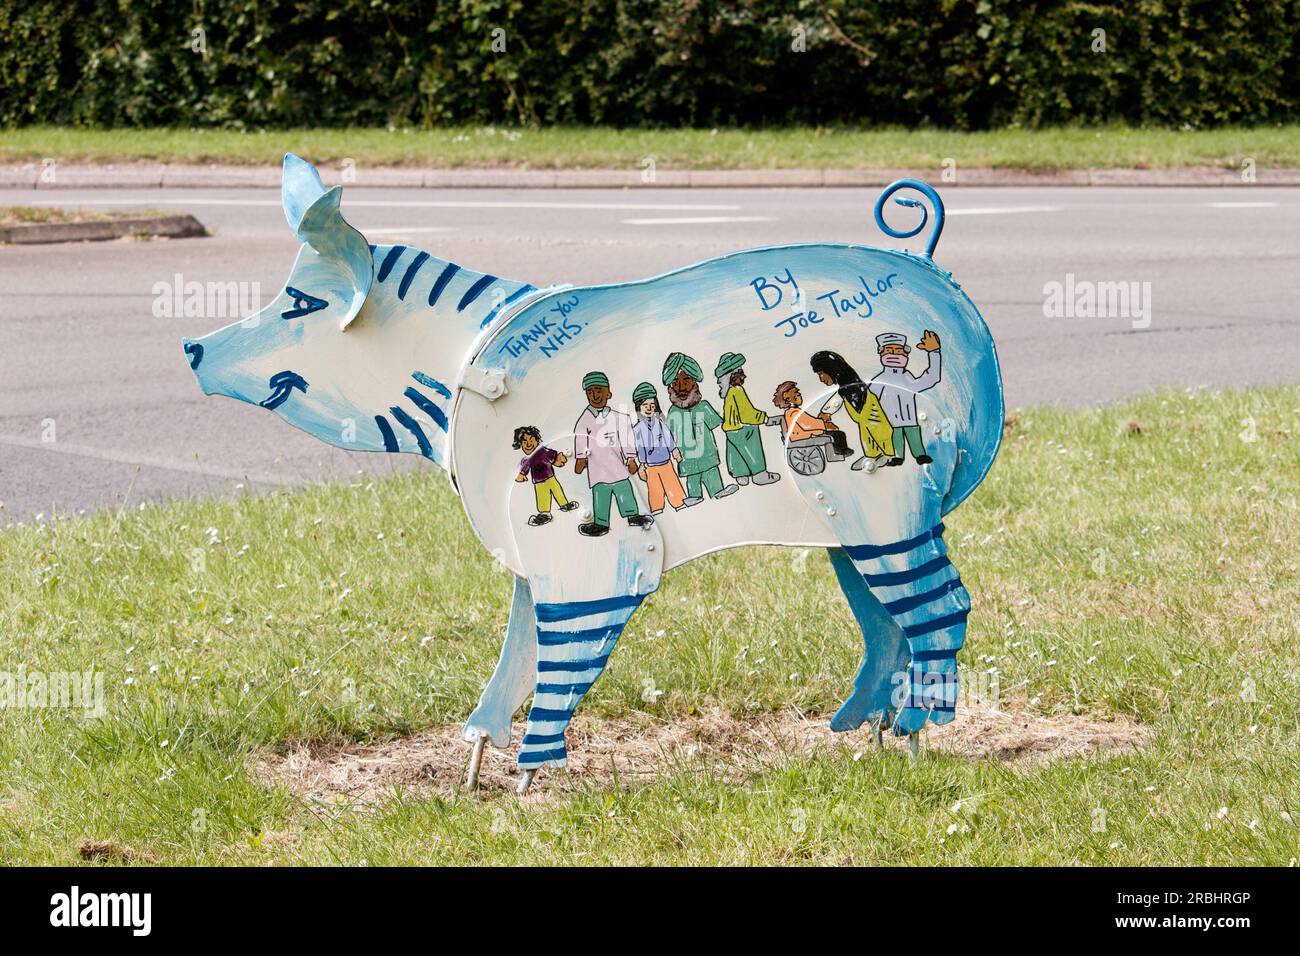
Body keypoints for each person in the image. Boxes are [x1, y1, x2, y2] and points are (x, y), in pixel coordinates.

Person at [573, 371, 653, 537]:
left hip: (618, 467)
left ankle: (633, 515)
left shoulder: (619, 418)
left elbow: (626, 438)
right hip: (598, 469)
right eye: (590, 392)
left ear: (608, 392)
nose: (594, 395)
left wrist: (631, 458)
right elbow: (580, 439)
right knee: (601, 494)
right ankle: (601, 523)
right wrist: (580, 458)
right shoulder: (584, 420)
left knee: (624, 490)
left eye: (598, 390)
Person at [662, 352, 739, 501]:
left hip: (707, 454)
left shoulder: (703, 406)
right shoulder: (673, 412)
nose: (681, 387)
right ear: (671, 386)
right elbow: (668, 435)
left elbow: (717, 423)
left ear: (694, 382)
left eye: (686, 380)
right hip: (687, 457)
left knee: (712, 473)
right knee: (693, 480)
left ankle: (718, 490)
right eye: (676, 382)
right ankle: (694, 496)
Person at [809, 350, 894, 470]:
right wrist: (826, 412)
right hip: (862, 417)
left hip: (869, 411)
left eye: (821, 373)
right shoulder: (845, 388)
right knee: (867, 434)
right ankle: (871, 455)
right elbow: (839, 398)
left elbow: (837, 399)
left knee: (879, 430)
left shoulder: (851, 385)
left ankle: (888, 453)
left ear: (831, 369)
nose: (821, 379)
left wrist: (826, 411)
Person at [870, 330, 941, 465]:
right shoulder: (880, 379)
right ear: (881, 352)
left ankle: (919, 455)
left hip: (910, 419)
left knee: (913, 434)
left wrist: (934, 352)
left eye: (898, 351)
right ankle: (897, 457)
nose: (894, 354)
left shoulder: (907, 377)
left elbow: (932, 378)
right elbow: (869, 399)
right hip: (890, 422)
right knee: (895, 436)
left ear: (905, 353)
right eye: (889, 350)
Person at [630, 382, 698, 514]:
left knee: (672, 483)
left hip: (666, 462)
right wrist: (642, 465)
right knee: (654, 488)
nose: (649, 408)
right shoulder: (638, 429)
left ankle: (679, 503)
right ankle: (656, 508)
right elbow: (640, 447)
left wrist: (675, 451)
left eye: (652, 405)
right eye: (645, 405)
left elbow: (668, 438)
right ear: (639, 408)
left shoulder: (660, 423)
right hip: (651, 466)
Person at [715, 352, 780, 487]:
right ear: (734, 375)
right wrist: (764, 418)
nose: (743, 375)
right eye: (740, 372)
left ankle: (741, 475)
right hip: (742, 429)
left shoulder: (729, 393)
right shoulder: (737, 390)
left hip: (730, 430)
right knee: (752, 448)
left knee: (736, 452)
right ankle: (759, 474)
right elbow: (747, 413)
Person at [512, 425, 579, 526]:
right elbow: (525, 467)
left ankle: (564, 504)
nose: (528, 443)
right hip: (539, 482)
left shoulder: (543, 452)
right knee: (542, 496)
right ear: (520, 445)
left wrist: (558, 459)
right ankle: (544, 514)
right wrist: (521, 474)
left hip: (550, 477)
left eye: (531, 439)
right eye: (524, 442)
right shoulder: (528, 459)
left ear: (537, 439)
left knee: (557, 490)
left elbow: (553, 456)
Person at [772, 381, 852, 456]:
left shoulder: (792, 411)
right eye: (797, 394)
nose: (800, 395)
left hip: (804, 434)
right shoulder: (794, 412)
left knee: (835, 434)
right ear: (788, 399)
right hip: (802, 436)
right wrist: (825, 425)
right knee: (838, 434)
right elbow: (807, 424)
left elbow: (809, 422)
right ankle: (840, 451)